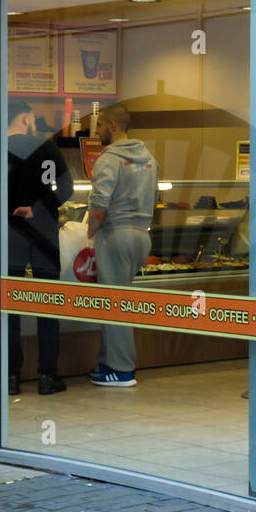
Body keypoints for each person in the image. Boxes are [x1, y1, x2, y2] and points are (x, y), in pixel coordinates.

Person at [86, 103, 158, 387]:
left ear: (112, 126)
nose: (98, 133)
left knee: (115, 305)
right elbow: (154, 197)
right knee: (116, 301)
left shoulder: (109, 158)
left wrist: (89, 232)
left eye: (100, 127)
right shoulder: (150, 158)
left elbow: (99, 203)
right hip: (142, 236)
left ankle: (121, 370)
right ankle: (107, 362)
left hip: (116, 234)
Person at [6, 99, 74, 395]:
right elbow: (67, 188)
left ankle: (10, 377)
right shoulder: (46, 148)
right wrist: (38, 208)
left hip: (9, 236)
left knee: (9, 308)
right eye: (32, 118)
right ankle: (48, 376)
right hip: (44, 234)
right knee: (47, 305)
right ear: (24, 119)